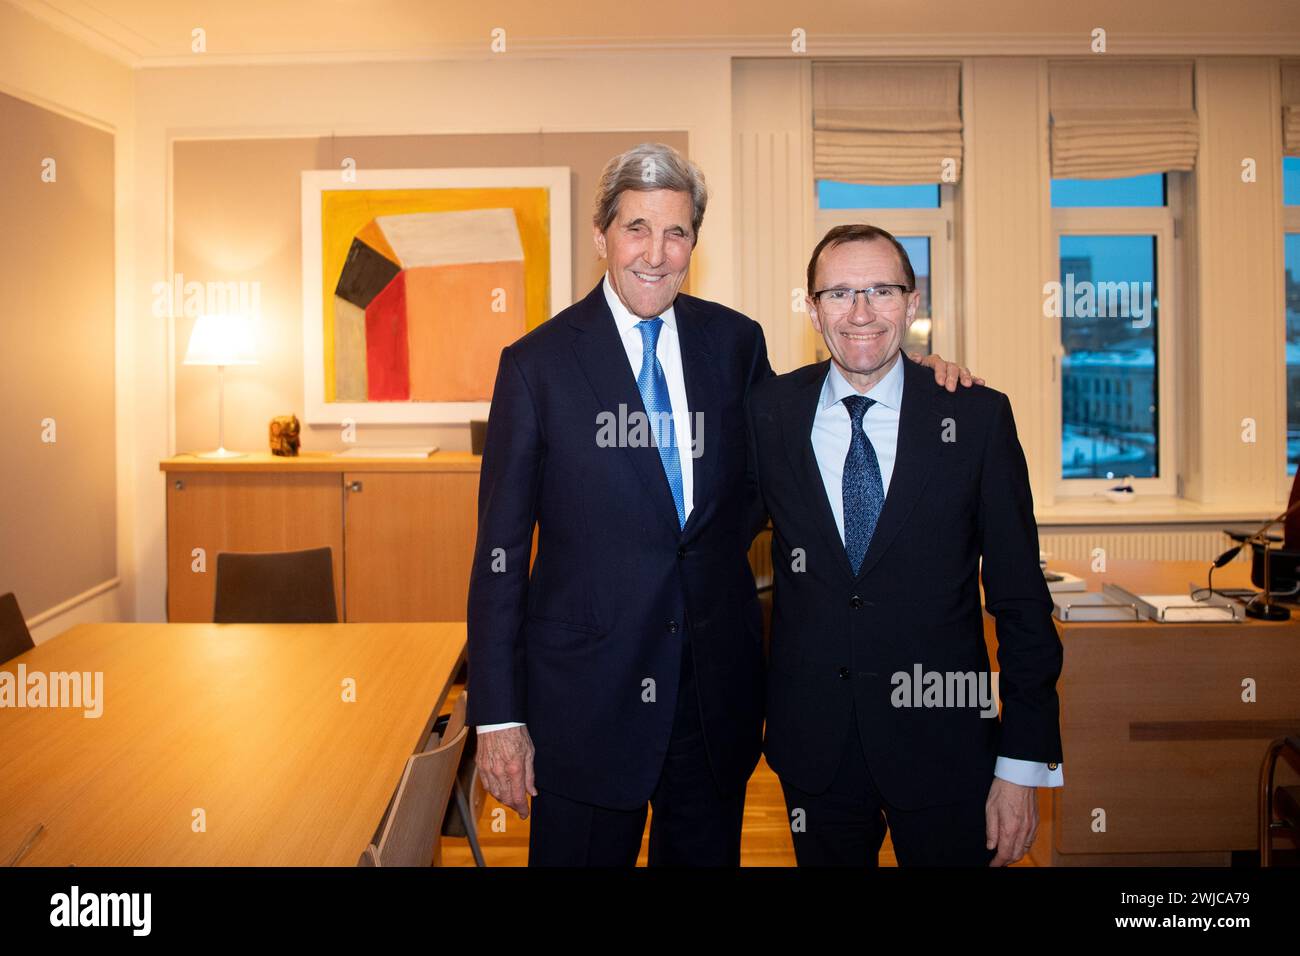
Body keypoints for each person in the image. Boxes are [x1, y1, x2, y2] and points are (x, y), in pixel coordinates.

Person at [467, 145, 973, 866]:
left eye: (676, 233)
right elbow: (499, 559)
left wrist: (913, 375)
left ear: (693, 245)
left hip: (711, 702)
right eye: (636, 228)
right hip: (585, 705)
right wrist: (499, 717)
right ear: (601, 236)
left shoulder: (734, 343)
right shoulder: (535, 365)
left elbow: (800, 442)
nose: (656, 252)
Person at [748, 224, 1064, 867]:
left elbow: (1022, 601)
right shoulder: (768, 413)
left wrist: (1024, 763)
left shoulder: (975, 419)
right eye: (838, 294)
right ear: (812, 309)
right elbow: (706, 543)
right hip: (816, 749)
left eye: (881, 291)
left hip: (947, 741)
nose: (860, 313)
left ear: (913, 304)